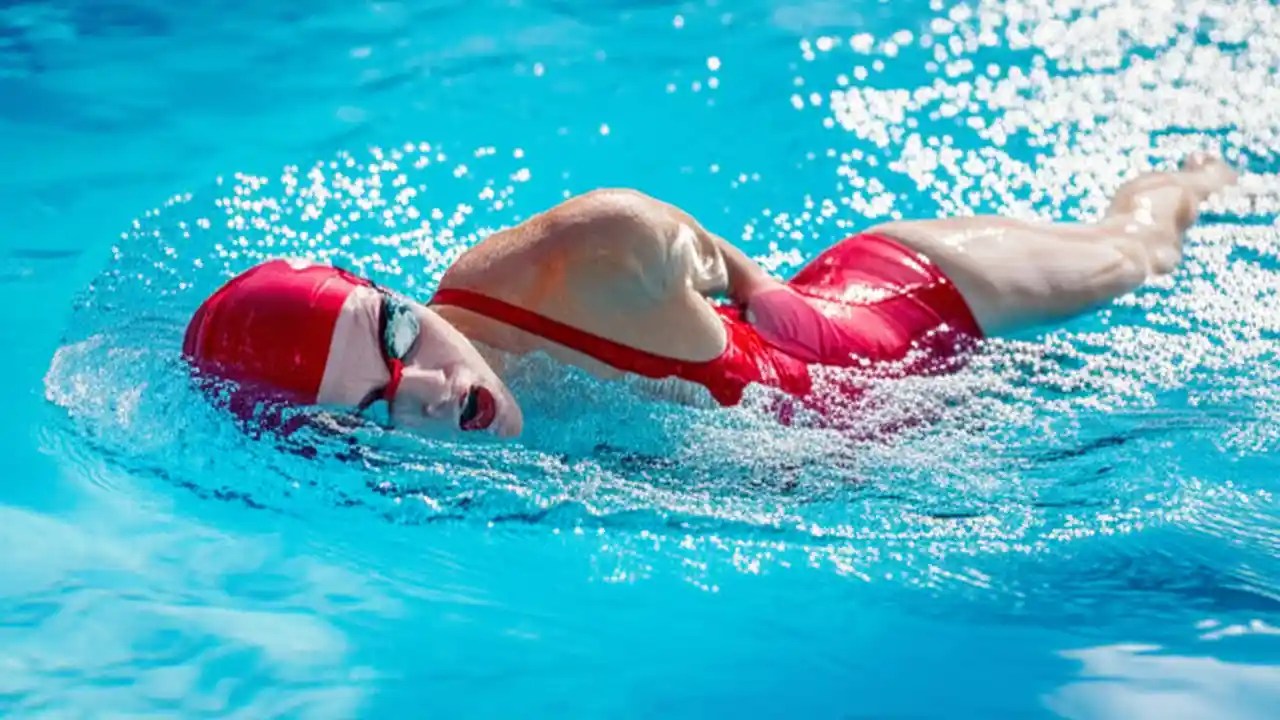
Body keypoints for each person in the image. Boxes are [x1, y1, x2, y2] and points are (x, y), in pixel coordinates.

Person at [182, 153, 1238, 439]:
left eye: (398, 335)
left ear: (393, 291)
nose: (425, 389)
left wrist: (762, 289)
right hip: (869, 434)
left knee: (1137, 253)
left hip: (900, 310)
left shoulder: (569, 267)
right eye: (371, 404)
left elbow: (639, 220)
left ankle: (1185, 176)